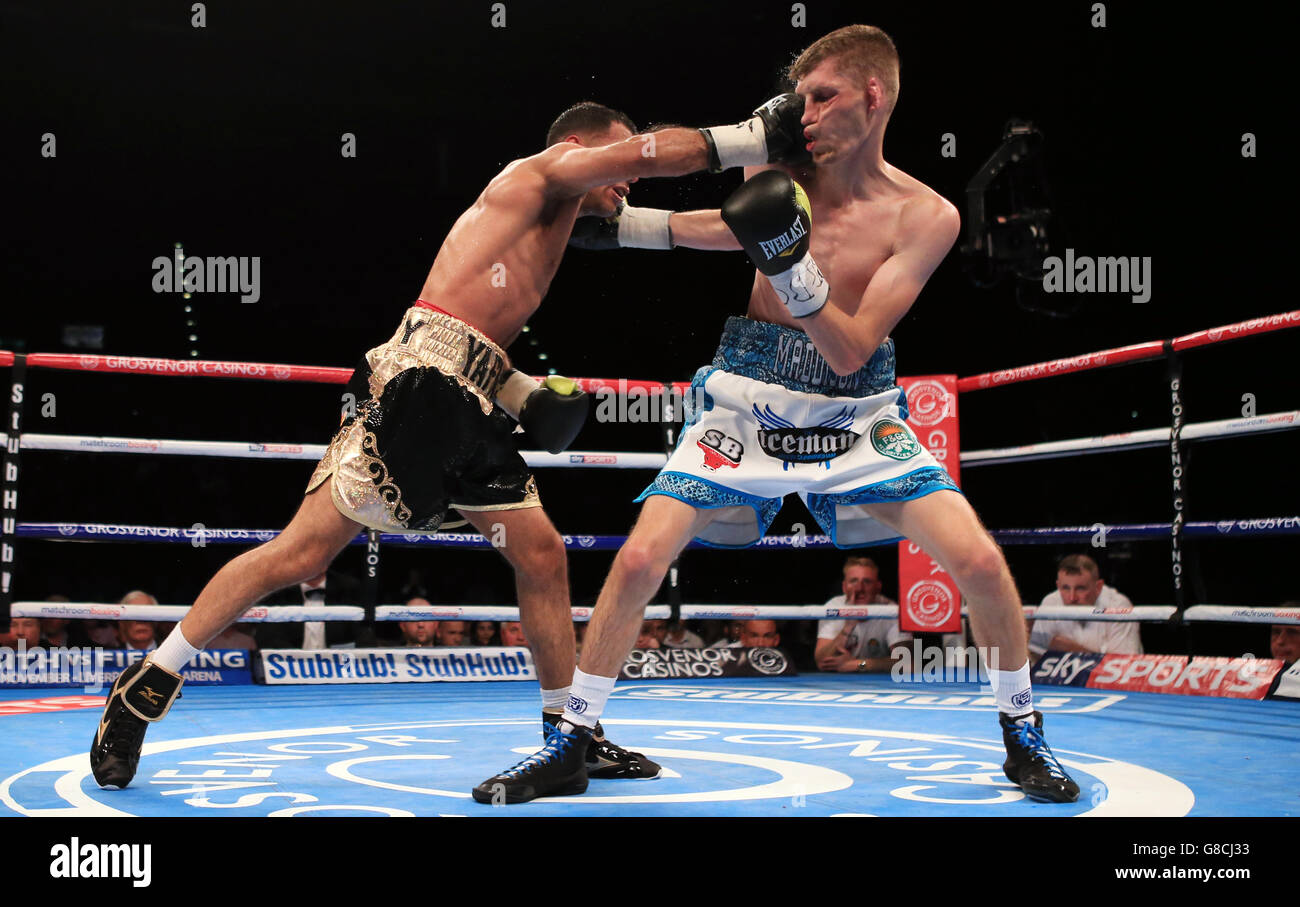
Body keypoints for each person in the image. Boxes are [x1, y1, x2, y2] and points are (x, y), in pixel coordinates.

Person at [91, 97, 773, 792]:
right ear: (577, 145)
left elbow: (691, 231)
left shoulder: (564, 215)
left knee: (540, 555)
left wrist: (778, 216)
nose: (626, 180)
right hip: (421, 383)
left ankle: (569, 737)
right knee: (301, 554)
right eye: (616, 157)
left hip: (468, 394)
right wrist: (752, 135)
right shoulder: (541, 173)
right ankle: (146, 682)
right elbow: (645, 158)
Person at [479, 26, 1078, 805]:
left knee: (982, 563)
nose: (808, 115)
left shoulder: (926, 216)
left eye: (823, 97)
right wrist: (621, 227)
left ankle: (1023, 733)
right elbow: (726, 227)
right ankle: (573, 739)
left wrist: (794, 272)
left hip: (857, 410)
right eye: (801, 100)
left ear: (875, 96)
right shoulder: (778, 169)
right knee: (635, 562)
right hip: (746, 398)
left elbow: (853, 343)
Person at [1028, 554, 1141, 657]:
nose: (1072, 597)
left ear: (1098, 587)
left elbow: (1122, 664)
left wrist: (1070, 649)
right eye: (1065, 588)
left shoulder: (1118, 606)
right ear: (1058, 586)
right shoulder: (1050, 603)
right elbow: (1036, 656)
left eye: (1080, 588)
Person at [815, 556, 904, 672]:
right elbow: (821, 662)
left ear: (878, 587)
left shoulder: (891, 611)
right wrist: (848, 627)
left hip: (879, 683)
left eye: (867, 582)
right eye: (853, 581)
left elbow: (907, 662)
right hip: (840, 683)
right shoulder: (833, 607)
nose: (859, 588)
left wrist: (859, 664)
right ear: (844, 587)